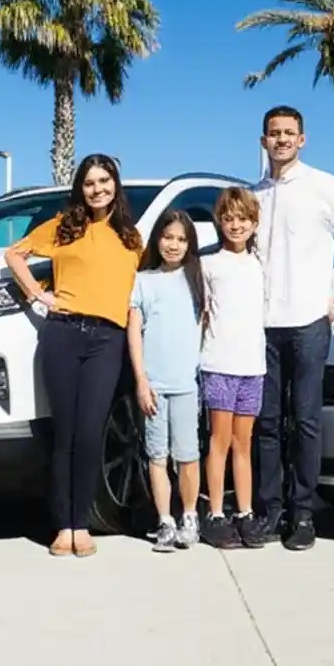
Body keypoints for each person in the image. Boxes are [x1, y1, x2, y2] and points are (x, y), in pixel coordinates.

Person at [251, 105, 334, 551]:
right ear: (263, 140)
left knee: (304, 420)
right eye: (273, 133)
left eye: (289, 133)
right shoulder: (255, 195)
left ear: (301, 140)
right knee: (267, 423)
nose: (281, 139)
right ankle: (270, 511)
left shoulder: (323, 186)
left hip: (308, 324)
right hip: (262, 328)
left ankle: (302, 514)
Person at [4, 153, 142, 558]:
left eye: (104, 180)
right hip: (63, 334)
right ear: (80, 189)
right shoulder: (65, 227)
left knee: (89, 432)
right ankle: (63, 526)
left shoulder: (132, 239)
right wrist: (39, 294)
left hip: (108, 340)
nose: (98, 189)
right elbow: (14, 255)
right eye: (89, 182)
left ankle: (82, 524)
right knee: (63, 433)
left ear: (116, 183)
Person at [128, 208, 207, 553]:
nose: (173, 245)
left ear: (189, 243)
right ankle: (165, 520)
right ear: (157, 238)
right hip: (155, 387)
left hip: (188, 385)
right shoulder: (143, 280)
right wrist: (141, 380)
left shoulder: (198, 279)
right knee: (157, 457)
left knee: (187, 456)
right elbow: (134, 332)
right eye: (167, 237)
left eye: (181, 239)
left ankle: (190, 517)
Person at [198, 186, 267, 549]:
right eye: (228, 219)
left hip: (252, 367)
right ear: (219, 222)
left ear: (254, 224)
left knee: (244, 443)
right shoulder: (209, 264)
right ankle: (216, 513)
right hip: (219, 364)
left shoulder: (259, 265)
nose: (235, 225)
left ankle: (244, 512)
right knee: (219, 441)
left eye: (242, 219)